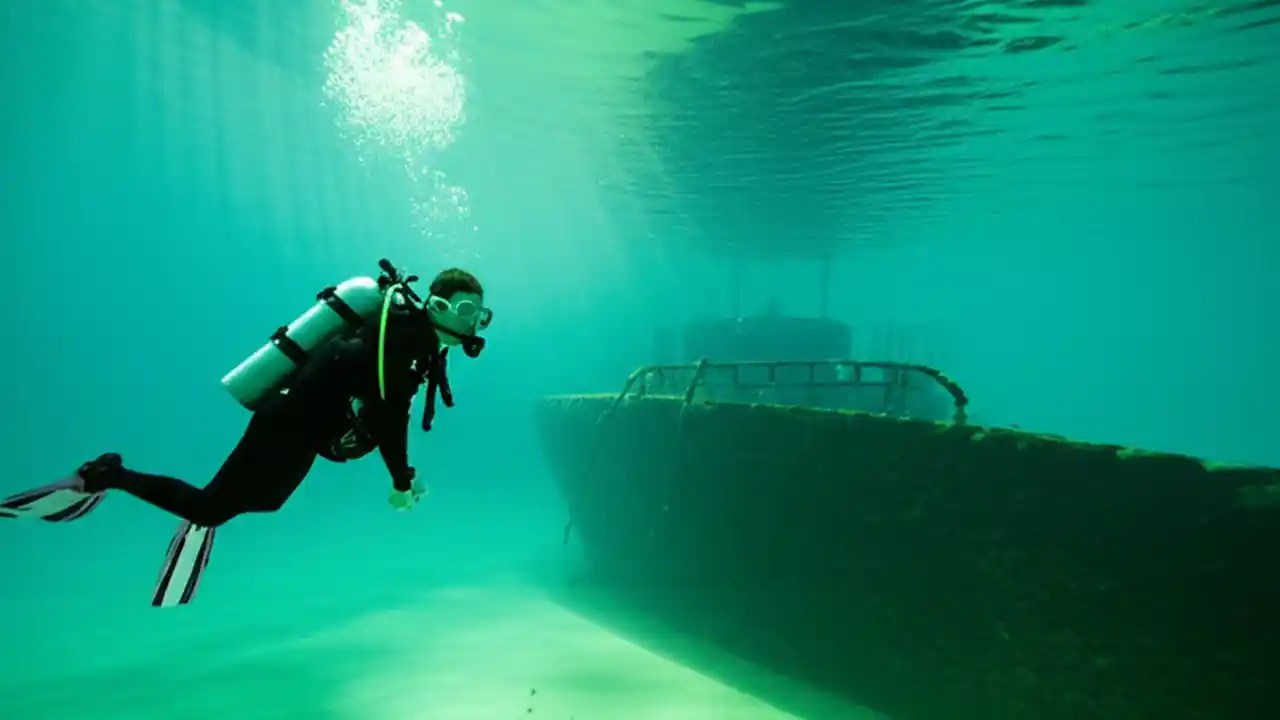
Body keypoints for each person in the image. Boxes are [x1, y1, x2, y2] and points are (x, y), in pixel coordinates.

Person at [1, 260, 492, 606]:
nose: (475, 323)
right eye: (468, 310)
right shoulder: (406, 338)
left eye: (481, 314)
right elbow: (390, 415)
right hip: (287, 420)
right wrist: (401, 481)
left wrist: (399, 472)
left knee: (268, 501)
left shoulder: (416, 343)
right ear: (437, 305)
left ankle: (207, 499)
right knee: (210, 508)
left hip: (305, 427)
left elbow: (388, 409)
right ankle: (110, 474)